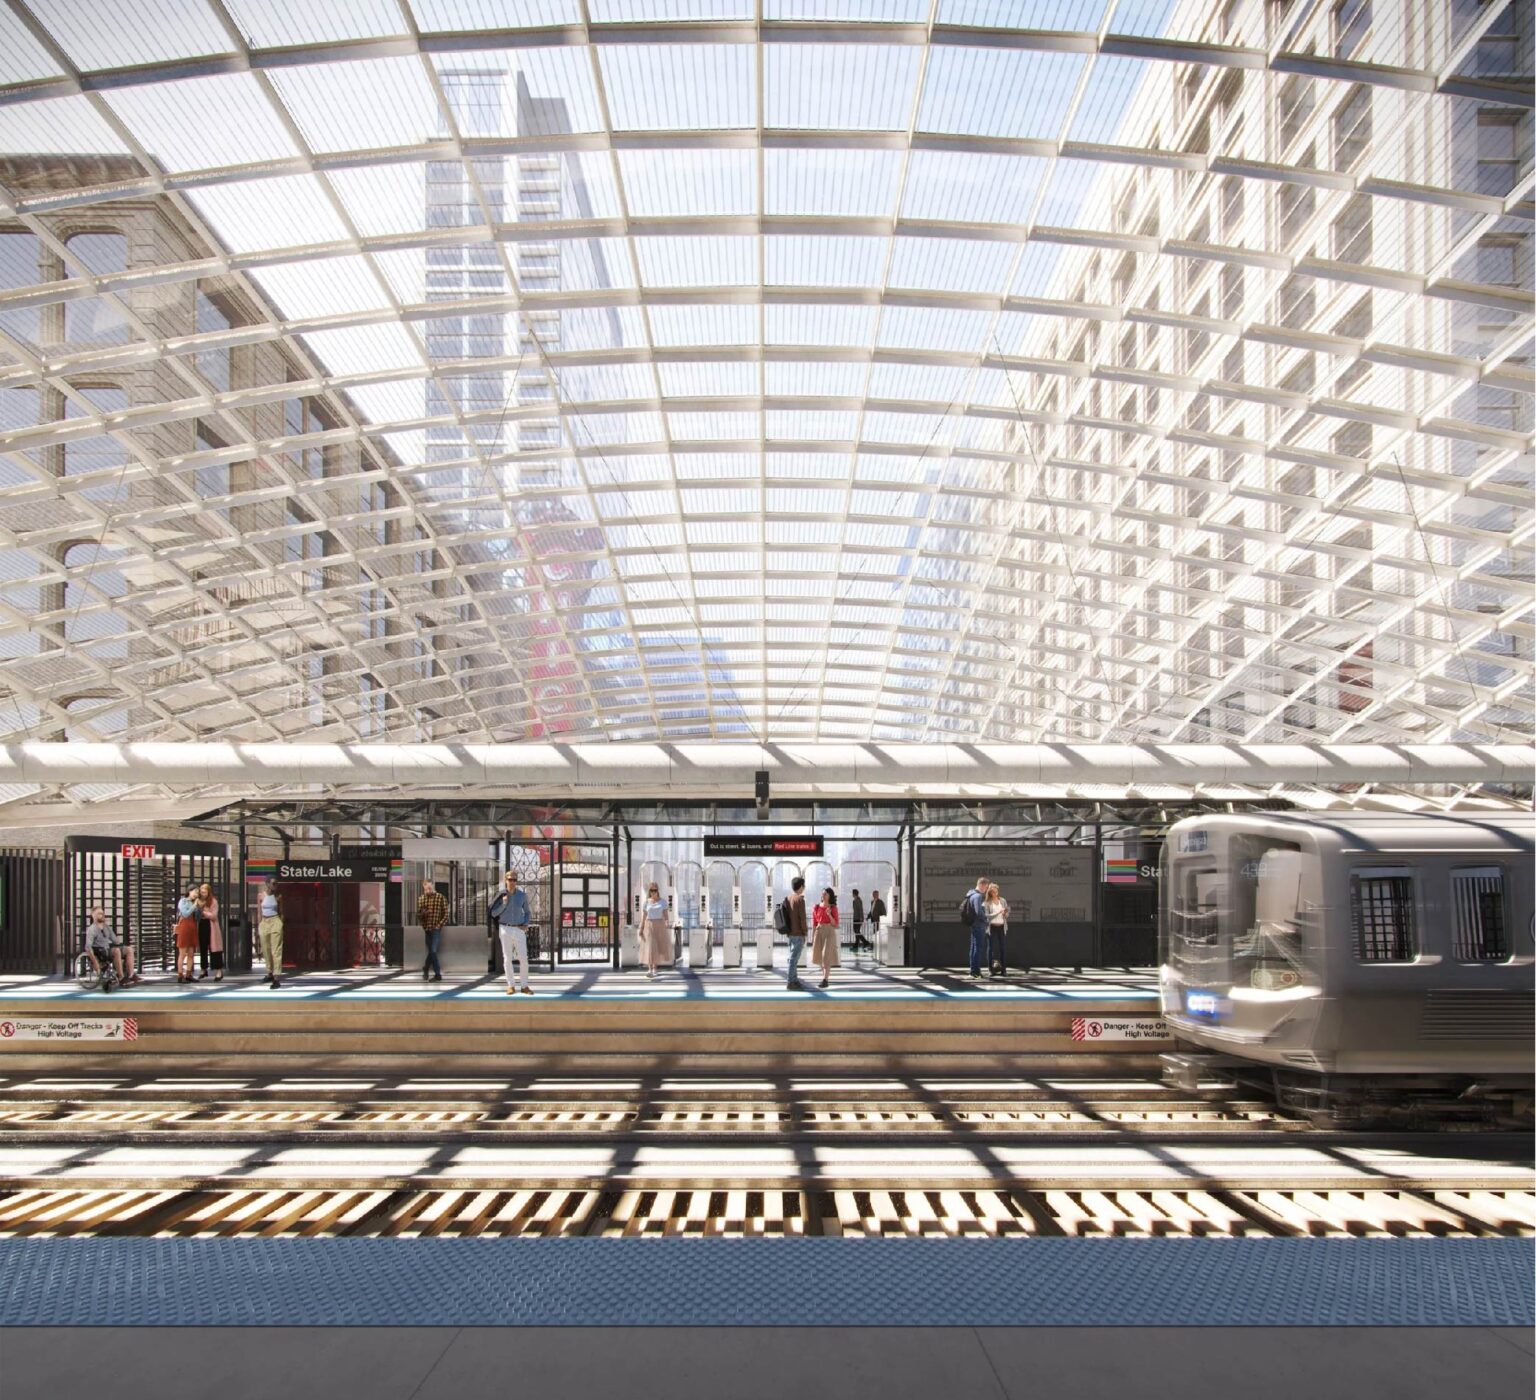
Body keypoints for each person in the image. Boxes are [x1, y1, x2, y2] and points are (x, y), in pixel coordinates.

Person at [489, 870, 533, 996]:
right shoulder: (500, 895)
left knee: (523, 958)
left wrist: (525, 924)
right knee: (507, 958)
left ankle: (524, 986)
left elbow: (527, 912)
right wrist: (503, 904)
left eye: (514, 880)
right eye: (510, 879)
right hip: (505, 928)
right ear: (506, 880)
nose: (512, 882)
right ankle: (511, 985)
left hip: (519, 929)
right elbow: (493, 913)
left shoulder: (522, 896)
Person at [82, 907, 124, 991]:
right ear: (93, 915)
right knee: (116, 951)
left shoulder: (107, 927)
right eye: (99, 914)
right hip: (100, 952)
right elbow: (88, 947)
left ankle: (130, 975)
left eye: (102, 913)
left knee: (128, 950)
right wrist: (95, 962)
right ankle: (121, 977)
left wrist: (119, 943)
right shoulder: (92, 929)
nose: (102, 915)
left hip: (107, 950)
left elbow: (115, 940)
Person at [417, 878, 449, 982]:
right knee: (431, 951)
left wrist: (439, 925)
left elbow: (446, 914)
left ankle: (437, 974)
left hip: (436, 929)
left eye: (430, 888)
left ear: (432, 886)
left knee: (433, 951)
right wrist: (422, 915)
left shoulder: (440, 898)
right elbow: (419, 915)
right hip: (427, 929)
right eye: (426, 889)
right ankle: (426, 968)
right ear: (424, 887)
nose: (428, 891)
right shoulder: (421, 899)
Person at [809, 886, 841, 989]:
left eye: (825, 893)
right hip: (819, 931)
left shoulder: (833, 908)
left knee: (826, 955)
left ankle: (825, 979)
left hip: (829, 932)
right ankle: (824, 977)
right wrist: (813, 936)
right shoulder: (816, 907)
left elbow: (835, 924)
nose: (823, 895)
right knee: (820, 956)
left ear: (830, 896)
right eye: (822, 893)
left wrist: (830, 914)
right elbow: (814, 922)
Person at [782, 876, 808, 990]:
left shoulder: (788, 898)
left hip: (790, 933)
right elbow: (802, 918)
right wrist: (805, 932)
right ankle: (790, 982)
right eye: (804, 886)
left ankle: (794, 980)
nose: (804, 888)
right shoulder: (800, 900)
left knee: (793, 958)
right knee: (794, 959)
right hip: (798, 933)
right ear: (801, 886)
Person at [257, 880, 284, 989]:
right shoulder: (260, 895)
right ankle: (269, 972)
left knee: (276, 950)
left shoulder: (278, 896)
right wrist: (259, 924)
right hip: (264, 922)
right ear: (267, 884)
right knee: (266, 948)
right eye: (273, 883)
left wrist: (281, 923)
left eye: (277, 883)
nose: (275, 886)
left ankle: (276, 978)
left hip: (275, 921)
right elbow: (259, 910)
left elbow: (282, 912)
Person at [197, 883, 224, 983]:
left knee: (215, 949)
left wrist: (203, 912)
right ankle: (203, 969)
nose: (202, 893)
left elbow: (214, 916)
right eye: (201, 891)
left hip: (211, 926)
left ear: (208, 892)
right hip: (202, 925)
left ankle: (219, 971)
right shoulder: (198, 901)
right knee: (203, 948)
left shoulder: (213, 901)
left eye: (204, 891)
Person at [965, 876, 990, 979]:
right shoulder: (977, 896)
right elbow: (978, 911)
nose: (986, 890)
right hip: (979, 925)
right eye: (986, 887)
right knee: (978, 948)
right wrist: (986, 920)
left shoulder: (970, 894)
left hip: (973, 924)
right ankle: (976, 972)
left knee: (973, 947)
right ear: (981, 885)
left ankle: (973, 970)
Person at [174, 885, 200, 983]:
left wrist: (199, 908)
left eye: (197, 893)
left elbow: (197, 917)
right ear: (189, 891)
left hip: (192, 927)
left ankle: (188, 974)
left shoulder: (195, 902)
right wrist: (194, 906)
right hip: (184, 927)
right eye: (195, 892)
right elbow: (185, 913)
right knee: (182, 953)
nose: (196, 894)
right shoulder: (183, 901)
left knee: (191, 954)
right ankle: (180, 975)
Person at [985, 882, 1010, 977]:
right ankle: (990, 970)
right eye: (993, 891)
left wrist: (1005, 913)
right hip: (991, 927)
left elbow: (1006, 915)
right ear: (990, 892)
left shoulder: (1002, 900)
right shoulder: (987, 902)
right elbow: (987, 916)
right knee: (990, 949)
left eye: (996, 891)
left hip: (1001, 927)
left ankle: (1004, 970)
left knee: (1002, 948)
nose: (995, 893)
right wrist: (998, 912)